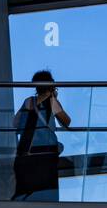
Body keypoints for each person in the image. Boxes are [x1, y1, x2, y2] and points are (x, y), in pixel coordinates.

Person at [12, 69, 71, 201]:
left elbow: (15, 122)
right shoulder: (52, 102)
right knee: (46, 191)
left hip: (25, 152)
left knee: (25, 189)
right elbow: (66, 122)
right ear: (51, 85)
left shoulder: (29, 101)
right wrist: (55, 99)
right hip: (45, 152)